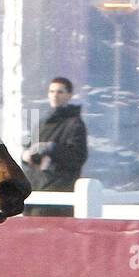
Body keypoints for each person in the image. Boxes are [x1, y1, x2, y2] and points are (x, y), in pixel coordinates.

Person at [23, 76, 88, 217]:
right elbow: (29, 153)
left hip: (58, 196)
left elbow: (78, 157)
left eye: (60, 92)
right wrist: (26, 155)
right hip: (34, 191)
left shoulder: (75, 124)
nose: (55, 95)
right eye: (52, 91)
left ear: (69, 95)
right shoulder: (41, 124)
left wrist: (52, 149)